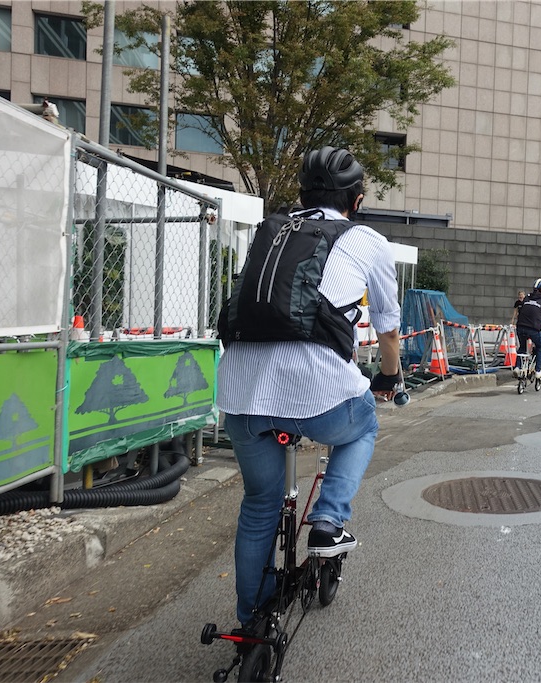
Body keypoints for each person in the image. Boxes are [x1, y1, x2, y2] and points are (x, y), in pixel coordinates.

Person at [216, 146, 402, 628]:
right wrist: (389, 375)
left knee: (260, 502)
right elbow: (387, 327)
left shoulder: (270, 232)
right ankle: (327, 521)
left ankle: (251, 622)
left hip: (239, 391)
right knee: (362, 427)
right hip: (317, 390)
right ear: (355, 201)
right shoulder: (368, 241)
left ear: (302, 196)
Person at [515, 278, 541, 379]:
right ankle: (538, 370)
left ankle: (517, 367)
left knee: (522, 347)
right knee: (540, 347)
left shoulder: (527, 298)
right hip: (534, 328)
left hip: (520, 326)